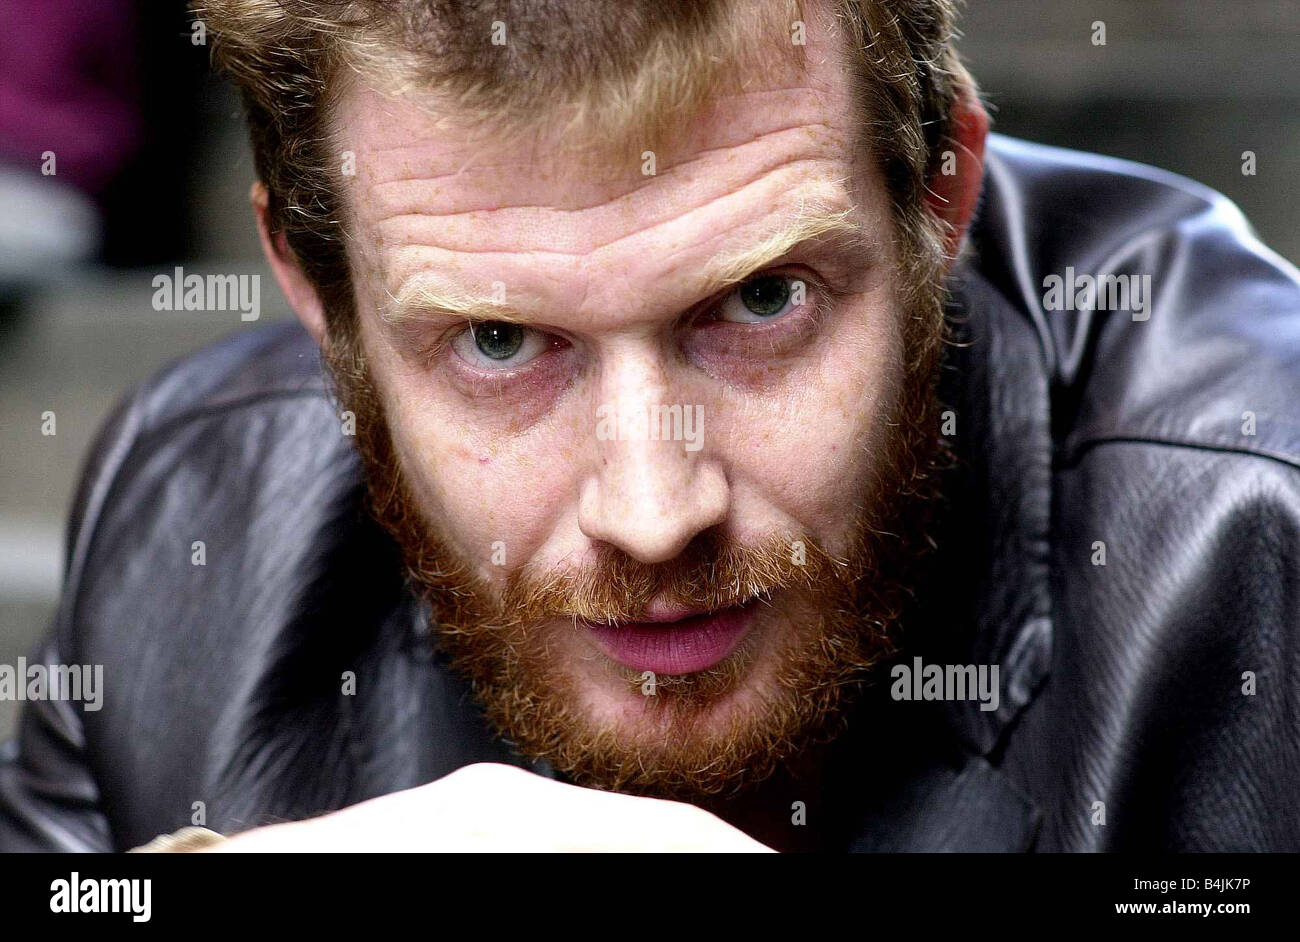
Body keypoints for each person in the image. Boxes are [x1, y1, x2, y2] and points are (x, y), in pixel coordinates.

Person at [2, 0, 1298, 853]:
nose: (653, 510)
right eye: (500, 341)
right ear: (312, 287)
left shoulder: (1251, 538)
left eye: (760, 299)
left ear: (940, 194)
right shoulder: (189, 525)